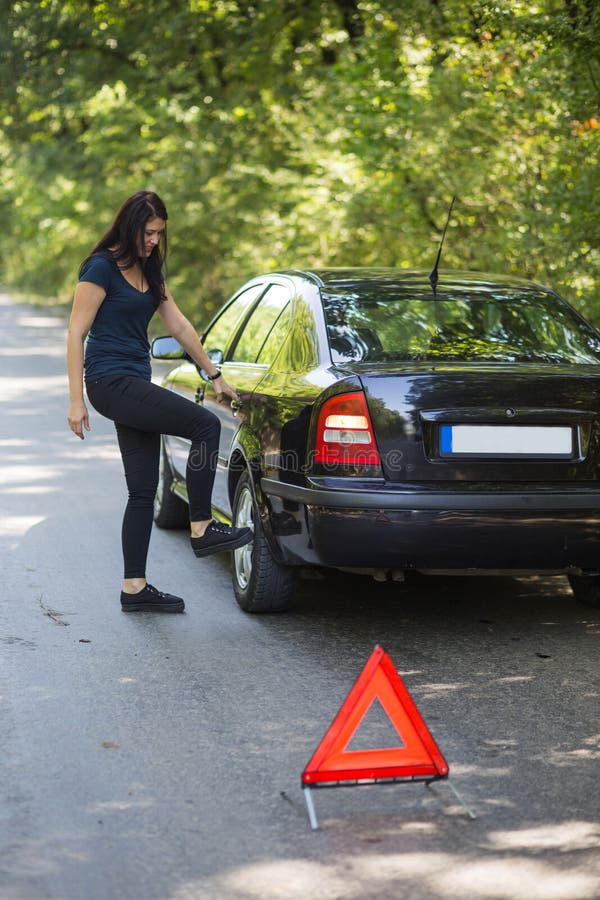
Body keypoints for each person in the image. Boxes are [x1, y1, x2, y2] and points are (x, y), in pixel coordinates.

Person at [66, 190, 252, 613]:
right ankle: (202, 526)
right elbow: (76, 333)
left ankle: (134, 588)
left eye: (159, 234)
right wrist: (76, 400)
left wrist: (214, 373)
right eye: (148, 232)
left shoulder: (151, 271)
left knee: (142, 490)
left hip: (132, 381)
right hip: (108, 380)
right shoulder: (101, 268)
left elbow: (180, 325)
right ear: (131, 226)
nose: (153, 240)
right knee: (204, 426)